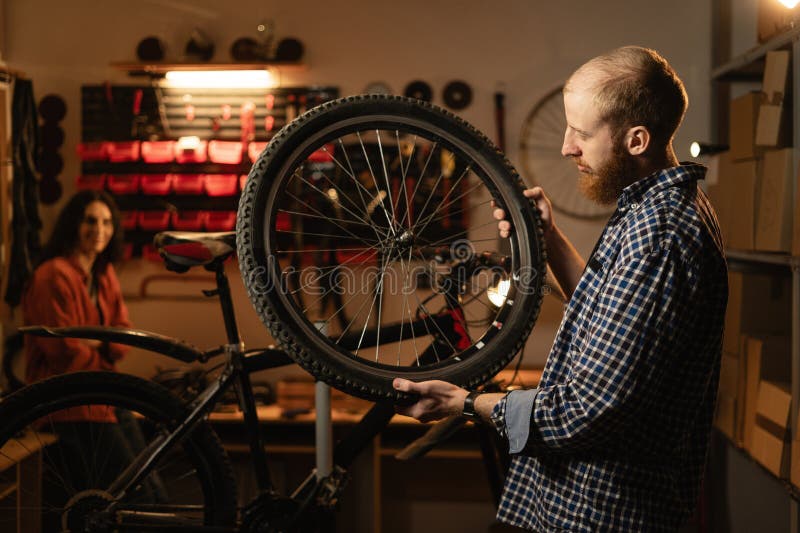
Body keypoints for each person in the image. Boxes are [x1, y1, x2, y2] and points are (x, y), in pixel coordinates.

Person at [394, 46, 728, 532]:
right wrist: (547, 239)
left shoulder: (662, 235)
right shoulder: (648, 210)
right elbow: (603, 316)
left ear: (636, 140)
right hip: (573, 506)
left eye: (583, 133)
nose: (568, 146)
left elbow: (581, 413)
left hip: (603, 515)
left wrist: (462, 403)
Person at [23, 189, 130, 398]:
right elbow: (62, 350)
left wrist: (96, 341)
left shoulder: (104, 272)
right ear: (73, 224)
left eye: (107, 222)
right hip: (60, 399)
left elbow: (124, 336)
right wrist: (105, 343)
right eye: (90, 221)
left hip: (102, 390)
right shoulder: (53, 274)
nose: (99, 230)